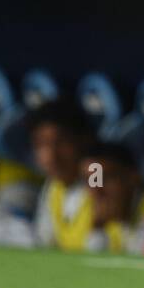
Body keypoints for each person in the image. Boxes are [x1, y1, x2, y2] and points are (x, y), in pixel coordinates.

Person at [28, 98, 97, 251]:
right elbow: (44, 241)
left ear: (84, 140)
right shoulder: (54, 186)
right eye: (41, 145)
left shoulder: (97, 172)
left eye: (61, 142)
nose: (50, 156)